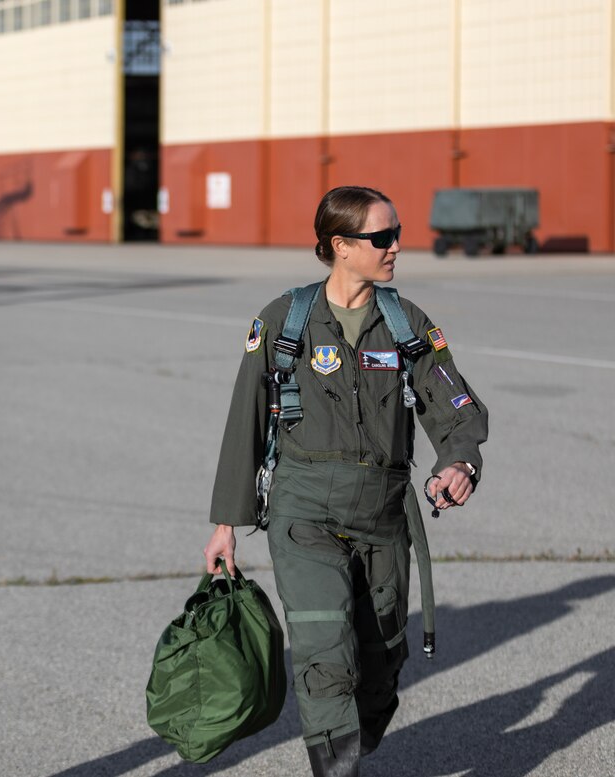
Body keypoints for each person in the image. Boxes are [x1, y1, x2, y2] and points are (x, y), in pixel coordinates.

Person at [204, 186, 488, 776]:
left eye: (396, 233)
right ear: (341, 245)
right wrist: (225, 525)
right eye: (382, 237)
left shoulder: (407, 323)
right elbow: (245, 423)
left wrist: (459, 462)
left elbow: (457, 409)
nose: (395, 247)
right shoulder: (285, 321)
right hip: (304, 510)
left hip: (384, 515)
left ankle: (359, 732)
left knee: (380, 662)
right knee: (324, 652)